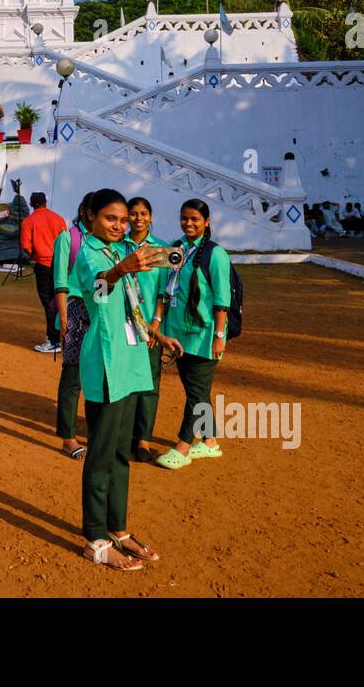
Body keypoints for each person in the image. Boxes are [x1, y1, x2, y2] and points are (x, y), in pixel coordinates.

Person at [74, 188, 170, 570]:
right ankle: (95, 538)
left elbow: (133, 305)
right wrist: (120, 270)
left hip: (132, 361)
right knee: (100, 455)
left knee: (120, 453)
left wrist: (156, 332)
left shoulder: (118, 251)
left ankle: (117, 527)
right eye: (110, 218)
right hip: (108, 363)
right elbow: (97, 291)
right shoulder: (89, 254)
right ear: (91, 217)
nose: (118, 225)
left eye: (123, 219)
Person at [153, 199, 232, 471]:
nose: (189, 223)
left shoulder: (216, 254)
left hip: (204, 335)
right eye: (185, 218)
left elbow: (222, 299)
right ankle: (210, 442)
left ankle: (184, 446)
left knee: (195, 393)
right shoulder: (176, 248)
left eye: (195, 219)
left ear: (206, 222)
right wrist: (158, 323)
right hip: (178, 334)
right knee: (197, 391)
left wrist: (219, 336)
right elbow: (163, 286)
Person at [125, 197, 174, 463]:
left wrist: (155, 324)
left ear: (151, 217)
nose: (139, 218)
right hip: (124, 326)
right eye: (133, 214)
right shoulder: (120, 247)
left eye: (144, 213)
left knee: (150, 384)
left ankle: (143, 439)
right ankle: (125, 434)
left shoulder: (161, 249)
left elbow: (164, 292)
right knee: (125, 380)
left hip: (151, 326)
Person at [52, 192, 94, 460]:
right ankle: (68, 437)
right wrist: (65, 320)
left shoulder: (106, 242)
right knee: (72, 377)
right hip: (75, 313)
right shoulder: (68, 238)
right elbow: (60, 282)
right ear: (88, 212)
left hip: (100, 313)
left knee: (97, 375)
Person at [20, 192, 68, 353]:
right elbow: (66, 241)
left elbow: (26, 247)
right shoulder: (58, 218)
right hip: (61, 265)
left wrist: (34, 258)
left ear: (32, 204)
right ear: (45, 202)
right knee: (61, 301)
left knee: (49, 303)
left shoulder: (28, 221)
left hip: (43, 265)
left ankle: (53, 340)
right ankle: (62, 336)